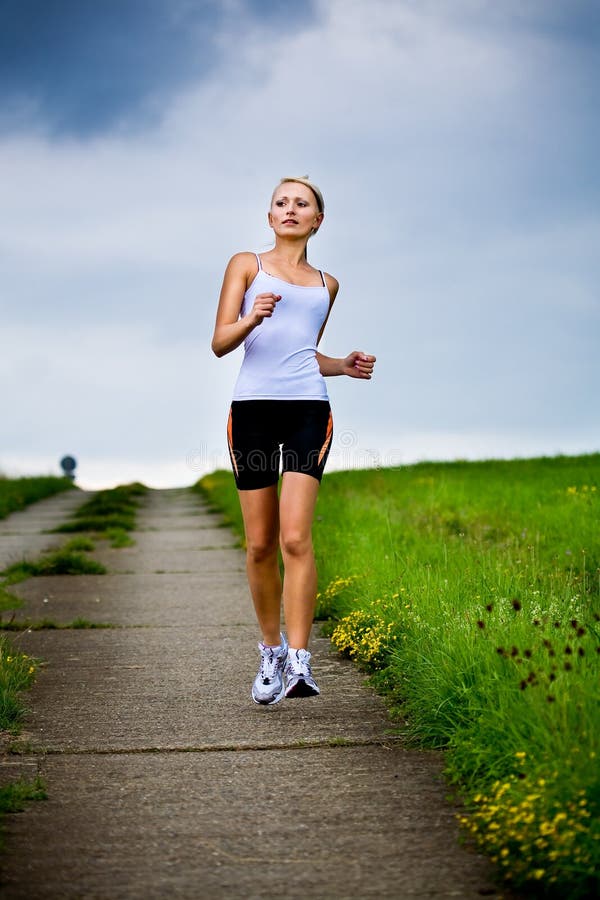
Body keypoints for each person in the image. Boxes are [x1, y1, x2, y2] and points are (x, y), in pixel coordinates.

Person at [211, 176, 376, 705]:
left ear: (316, 221)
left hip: (308, 409)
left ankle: (302, 662)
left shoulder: (327, 284)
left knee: (295, 539)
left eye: (300, 204)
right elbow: (220, 342)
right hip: (252, 412)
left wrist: (342, 366)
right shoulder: (246, 265)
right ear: (270, 217)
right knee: (260, 543)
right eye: (281, 202)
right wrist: (249, 317)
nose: (289, 209)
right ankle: (272, 651)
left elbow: (304, 352)